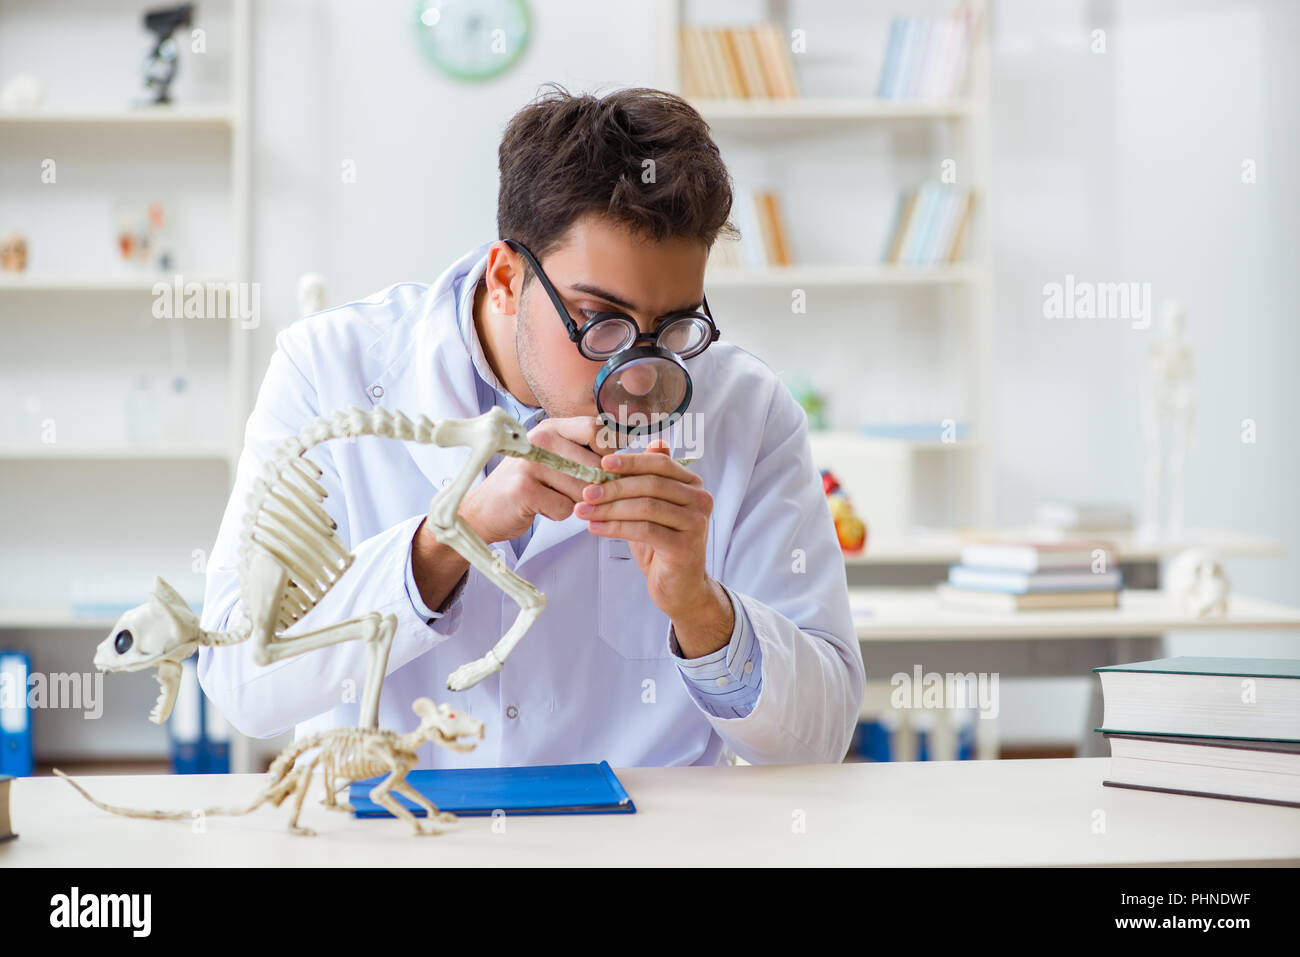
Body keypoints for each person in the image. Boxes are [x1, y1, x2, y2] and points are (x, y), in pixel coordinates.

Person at [197, 86, 864, 767]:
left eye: (674, 328)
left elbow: (819, 741)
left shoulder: (746, 410)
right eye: (602, 320)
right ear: (508, 277)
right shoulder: (326, 370)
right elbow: (239, 678)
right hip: (398, 829)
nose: (639, 377)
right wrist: (451, 535)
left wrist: (701, 610)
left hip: (652, 842)